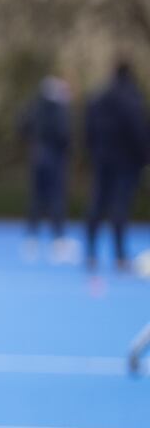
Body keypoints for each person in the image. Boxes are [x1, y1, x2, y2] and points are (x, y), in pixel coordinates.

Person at [83, 61, 150, 273]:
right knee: (120, 206)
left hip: (102, 159)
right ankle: (119, 256)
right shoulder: (132, 98)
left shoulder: (98, 97)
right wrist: (144, 158)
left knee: (98, 203)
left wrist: (94, 153)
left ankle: (91, 253)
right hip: (126, 162)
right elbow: (138, 132)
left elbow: (89, 129)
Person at [17, 75, 72, 249]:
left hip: (37, 155)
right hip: (54, 157)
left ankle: (32, 235)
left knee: (37, 196)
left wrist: (32, 142)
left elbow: (22, 125)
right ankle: (58, 236)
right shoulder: (58, 109)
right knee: (56, 195)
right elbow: (64, 134)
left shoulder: (34, 106)